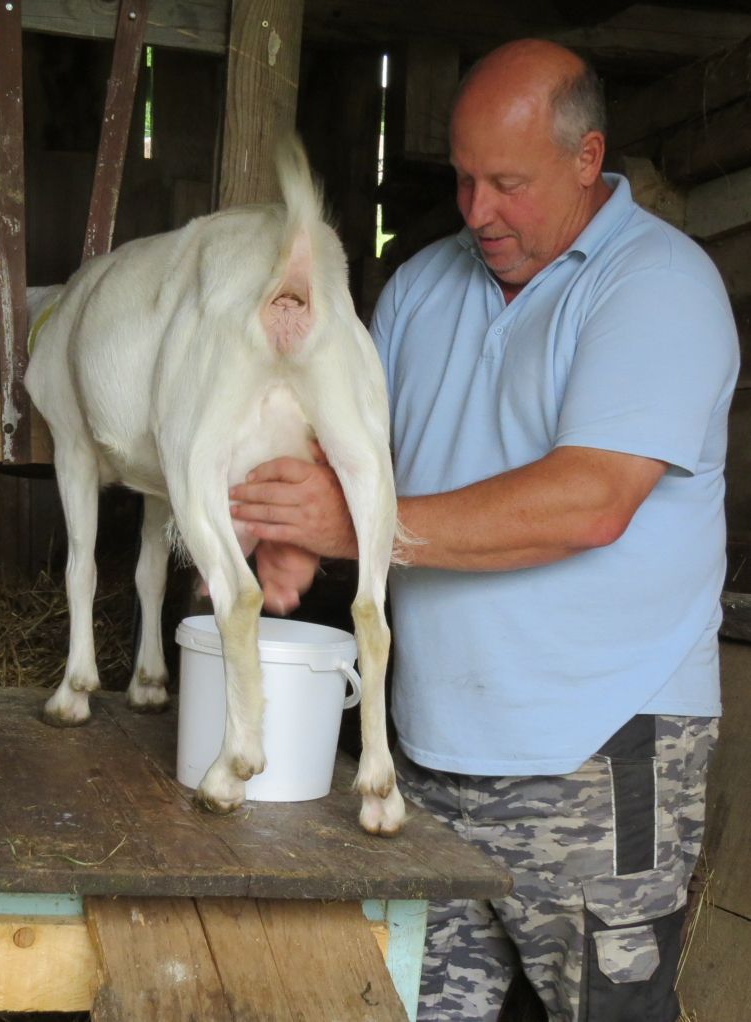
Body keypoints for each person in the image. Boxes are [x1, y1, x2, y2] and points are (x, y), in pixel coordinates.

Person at [229, 39, 740, 1022]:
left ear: (588, 160)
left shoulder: (657, 287)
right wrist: (300, 529)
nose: (476, 211)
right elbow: (359, 458)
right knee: (401, 1007)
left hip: (597, 752)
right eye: (463, 179)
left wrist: (361, 526)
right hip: (428, 754)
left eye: (507, 182)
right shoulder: (423, 286)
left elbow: (588, 500)